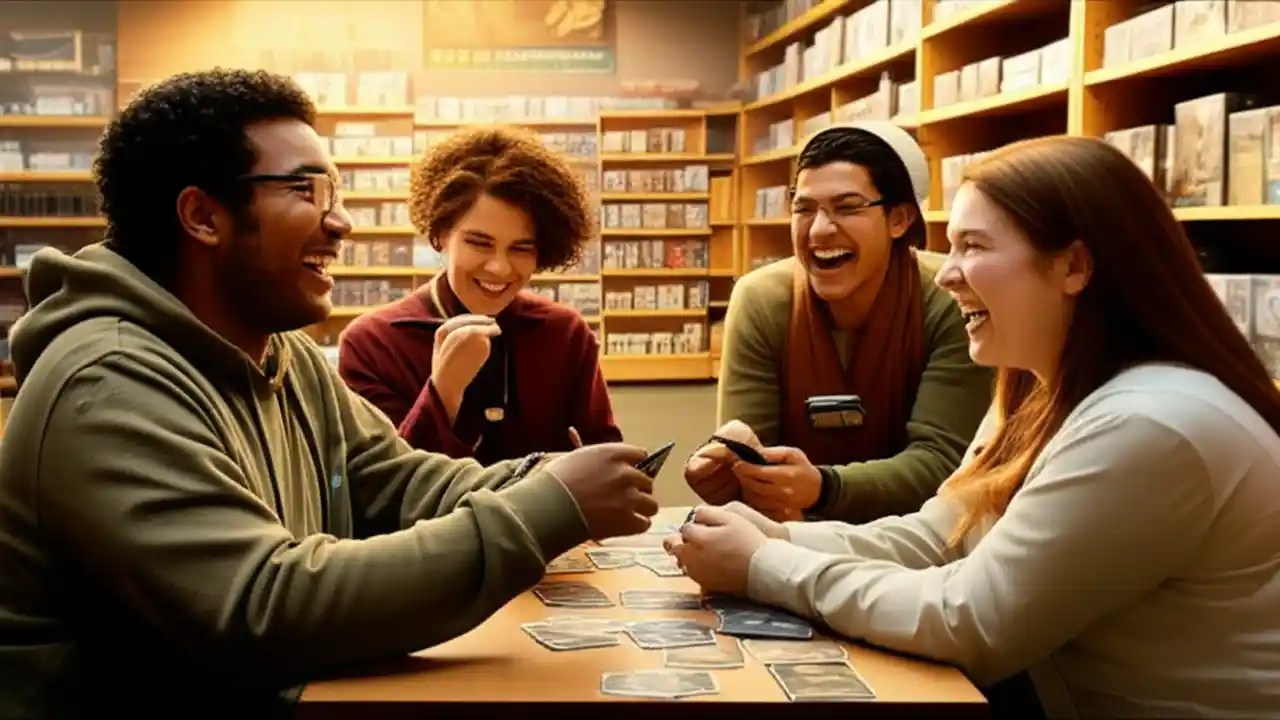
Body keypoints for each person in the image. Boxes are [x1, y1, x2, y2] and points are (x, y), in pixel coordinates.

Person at [0, 68, 659, 720]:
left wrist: (546, 478)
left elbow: (400, 483)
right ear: (203, 216)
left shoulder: (279, 353)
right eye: (305, 190)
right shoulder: (107, 383)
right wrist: (546, 507)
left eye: (335, 192)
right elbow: (263, 607)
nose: (340, 221)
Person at [665, 135, 1280, 717]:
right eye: (951, 246)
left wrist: (765, 568)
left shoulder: (1152, 423)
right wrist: (774, 538)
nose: (946, 273)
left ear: (1074, 266)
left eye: (975, 248)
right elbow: (942, 535)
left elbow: (971, 621)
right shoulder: (1037, 389)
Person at [683, 122, 991, 524]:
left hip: (925, 543)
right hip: (790, 543)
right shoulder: (761, 300)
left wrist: (824, 488)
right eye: (804, 209)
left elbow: (944, 463)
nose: (820, 229)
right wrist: (729, 469)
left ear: (899, 219)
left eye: (847, 207)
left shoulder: (950, 296)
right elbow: (753, 454)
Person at [338, 125, 617, 462]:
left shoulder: (564, 333)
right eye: (479, 243)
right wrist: (444, 391)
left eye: (520, 248)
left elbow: (608, 457)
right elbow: (382, 487)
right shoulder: (372, 343)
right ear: (440, 234)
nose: (499, 267)